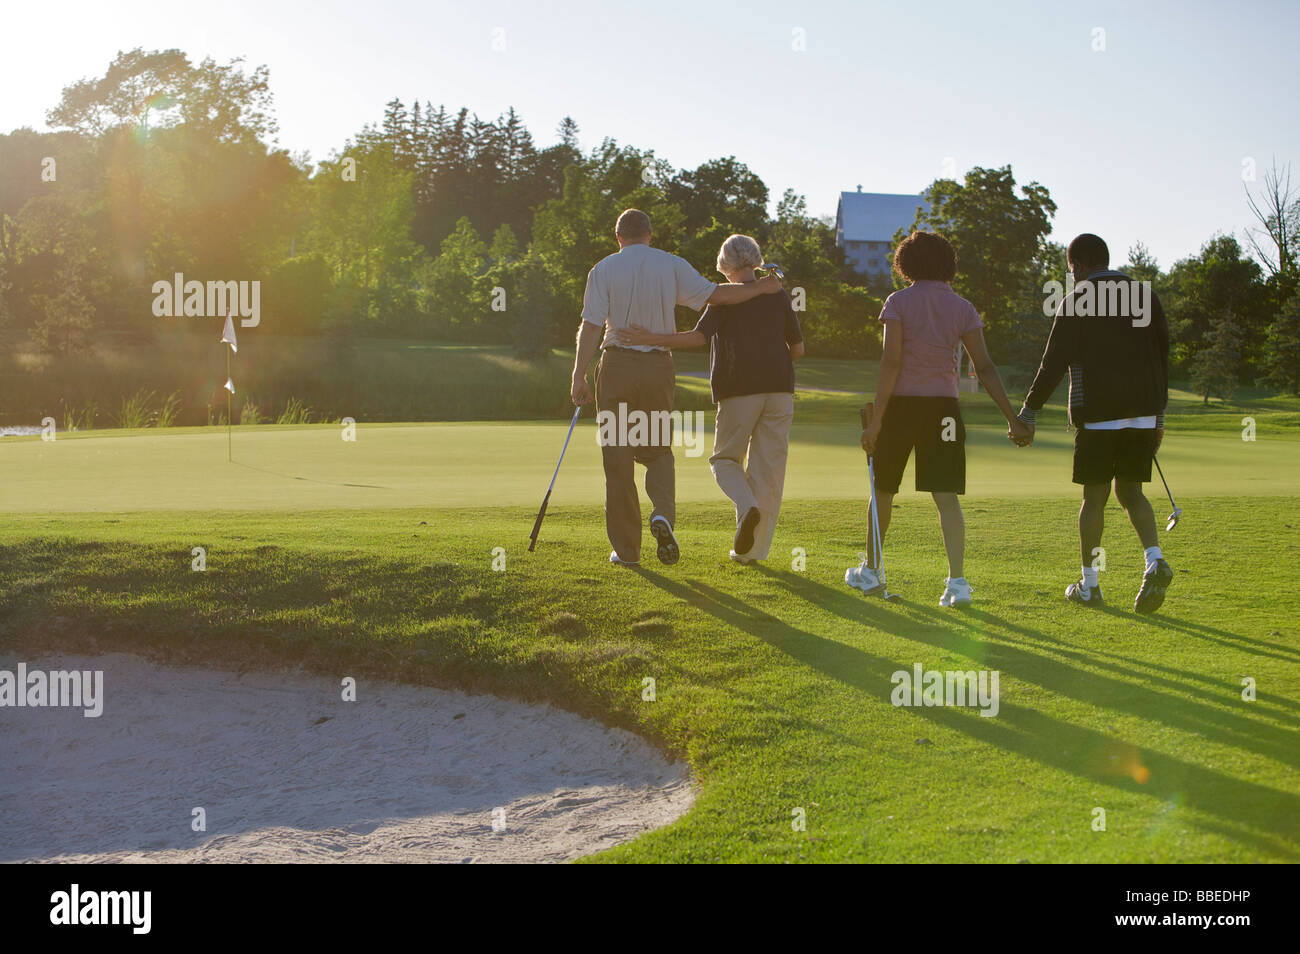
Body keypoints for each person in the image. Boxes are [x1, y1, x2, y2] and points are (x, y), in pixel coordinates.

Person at [571, 209, 783, 567]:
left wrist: (579, 375)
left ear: (618, 237)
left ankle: (627, 551)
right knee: (656, 451)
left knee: (618, 458)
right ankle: (663, 516)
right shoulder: (670, 264)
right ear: (650, 234)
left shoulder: (603, 268)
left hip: (618, 366)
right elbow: (717, 295)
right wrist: (762, 286)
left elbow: (591, 326)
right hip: (657, 367)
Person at [846, 230, 1030, 606]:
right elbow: (986, 368)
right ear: (947, 263)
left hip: (901, 407)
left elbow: (891, 363)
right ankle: (957, 584)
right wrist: (1013, 419)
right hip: (943, 410)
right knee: (946, 497)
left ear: (906, 263)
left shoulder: (898, 301)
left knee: (883, 490)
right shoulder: (963, 307)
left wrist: (876, 421)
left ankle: (872, 571)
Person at [615, 234, 804, 563]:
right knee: (768, 472)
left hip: (738, 389)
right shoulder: (778, 294)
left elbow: (698, 337)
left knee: (725, 461)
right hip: (781, 392)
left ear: (726, 265)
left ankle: (747, 509)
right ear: (755, 259)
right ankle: (752, 553)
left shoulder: (724, 298)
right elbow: (798, 349)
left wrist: (650, 338)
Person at [1015, 233, 1173, 613]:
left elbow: (1052, 363)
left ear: (1080, 265)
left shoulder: (1077, 301)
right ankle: (1154, 559)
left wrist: (1028, 412)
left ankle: (1090, 586)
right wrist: (1159, 416)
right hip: (1142, 414)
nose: (1072, 278)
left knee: (1094, 498)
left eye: (1071, 271)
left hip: (1098, 415)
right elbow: (1162, 357)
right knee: (1131, 492)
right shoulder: (1145, 296)